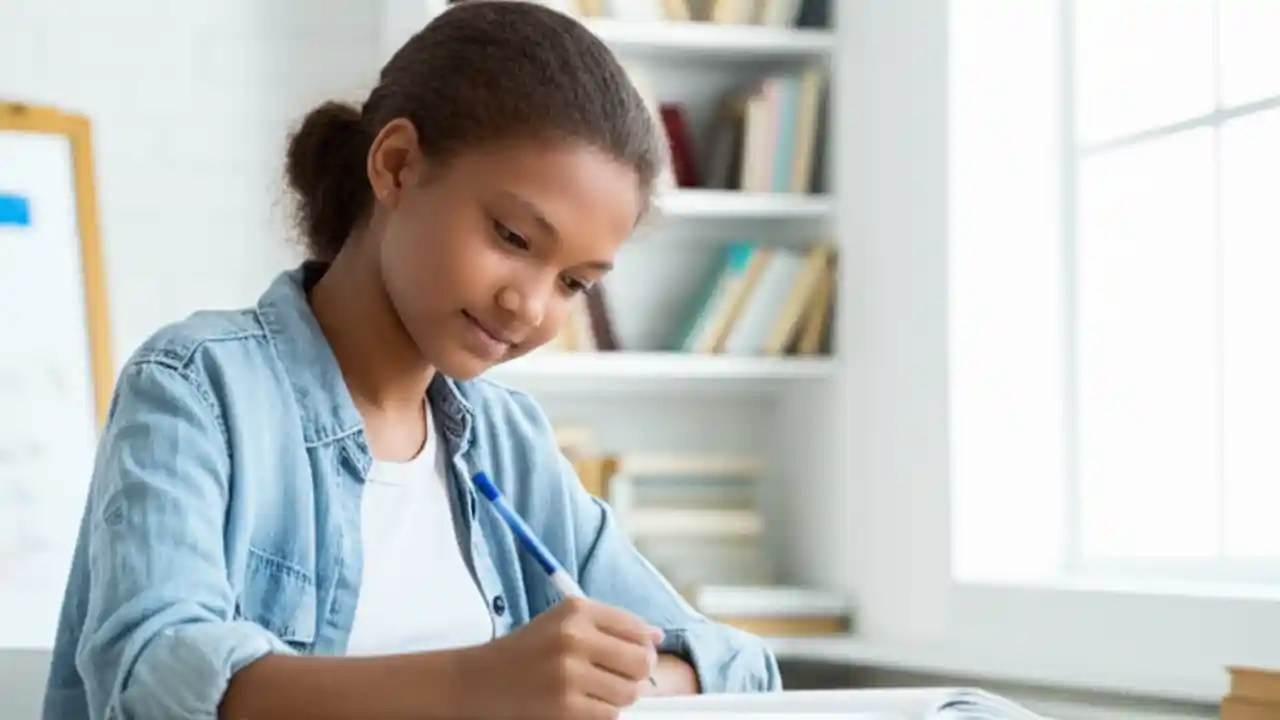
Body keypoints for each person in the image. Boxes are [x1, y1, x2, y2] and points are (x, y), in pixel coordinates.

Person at [41, 2, 781, 719]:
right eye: (515, 238)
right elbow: (155, 674)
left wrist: (592, 688)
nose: (529, 306)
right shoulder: (198, 388)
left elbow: (740, 668)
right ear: (396, 165)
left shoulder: (510, 444)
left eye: (573, 284)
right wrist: (480, 687)